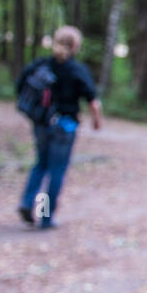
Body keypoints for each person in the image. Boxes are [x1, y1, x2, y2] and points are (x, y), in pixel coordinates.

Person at [16, 26, 103, 229]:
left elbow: (20, 85)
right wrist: (97, 120)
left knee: (41, 164)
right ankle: (45, 217)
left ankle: (27, 203)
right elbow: (93, 101)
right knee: (56, 170)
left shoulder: (41, 65)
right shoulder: (76, 70)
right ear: (75, 46)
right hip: (65, 125)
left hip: (41, 124)